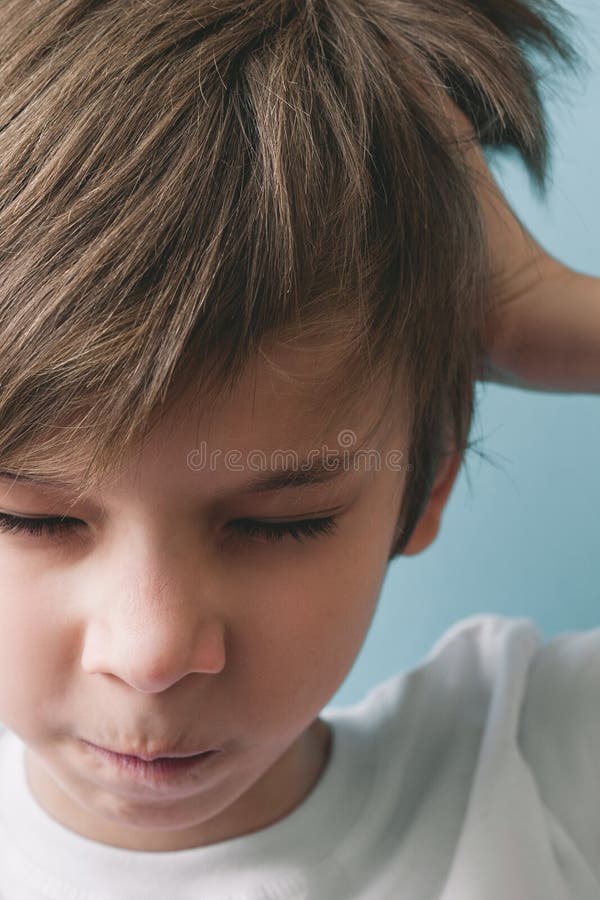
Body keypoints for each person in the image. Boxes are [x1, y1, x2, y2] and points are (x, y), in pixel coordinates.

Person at [0, 0, 597, 897]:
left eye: (278, 525)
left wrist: (540, 315)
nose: (152, 654)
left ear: (429, 478)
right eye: (30, 519)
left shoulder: (538, 780)